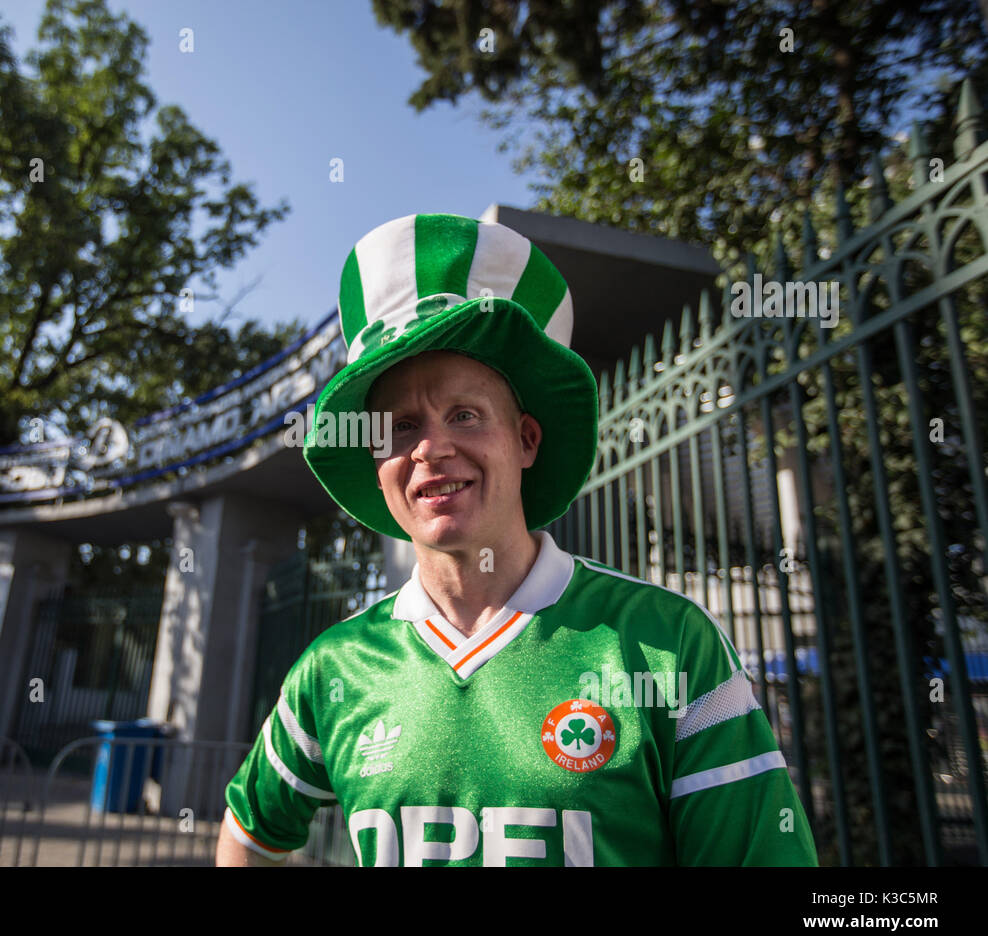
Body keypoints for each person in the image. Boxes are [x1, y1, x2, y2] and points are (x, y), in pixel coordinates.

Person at [215, 212, 818, 866]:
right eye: (400, 426)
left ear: (526, 440)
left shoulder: (668, 643)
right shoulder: (335, 666)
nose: (432, 448)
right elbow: (247, 836)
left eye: (465, 415)